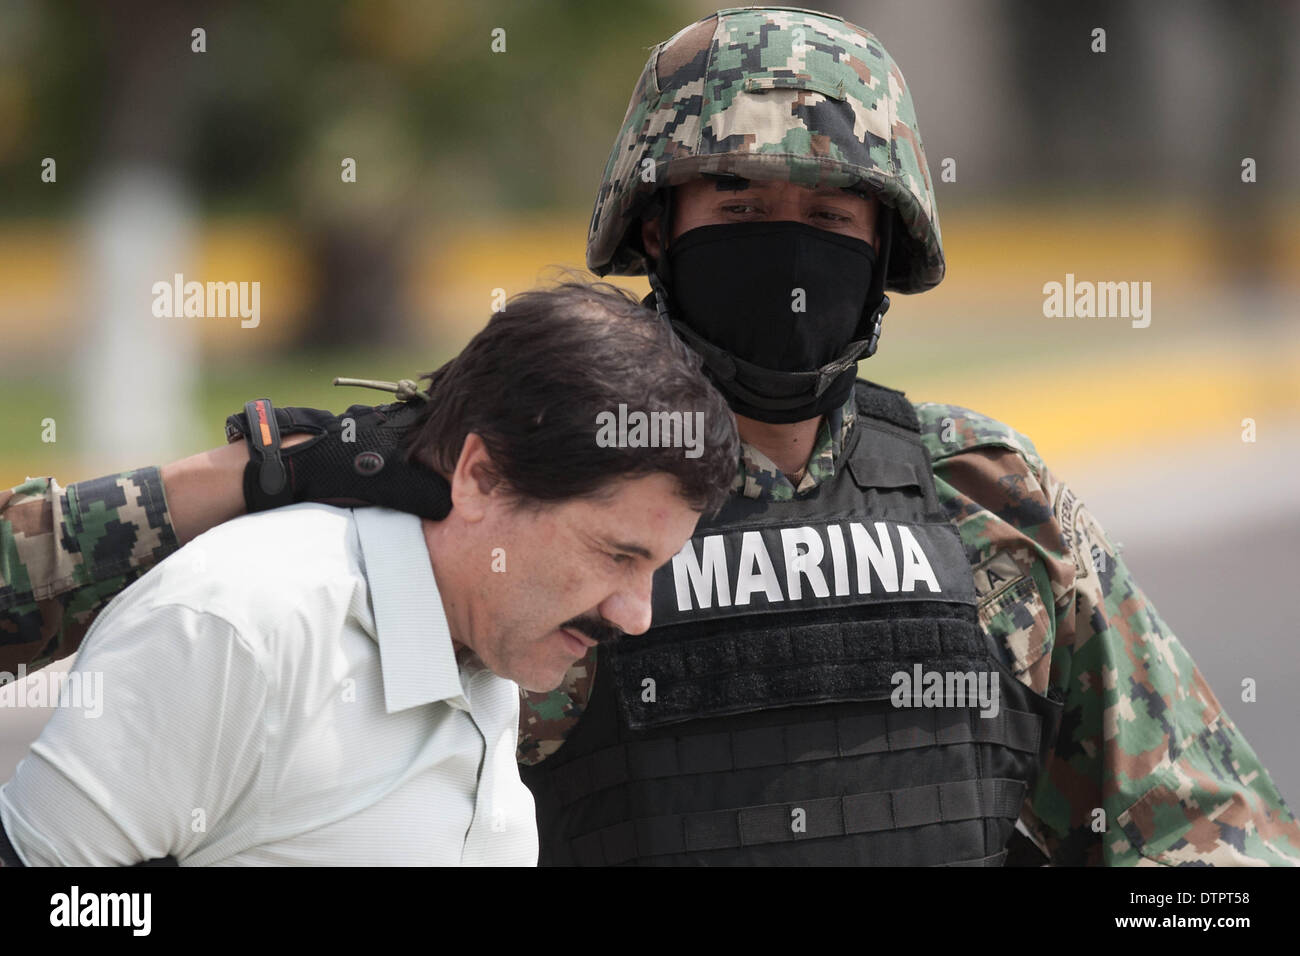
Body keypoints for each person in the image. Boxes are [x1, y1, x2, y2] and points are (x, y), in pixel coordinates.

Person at [2, 7, 1297, 866]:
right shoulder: (488, 472)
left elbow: (1213, 839)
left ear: (887, 252)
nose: (787, 249)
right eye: (739, 200)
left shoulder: (983, 504)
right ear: (657, 229)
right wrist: (255, 478)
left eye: (830, 216)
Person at [0, 283, 738, 866]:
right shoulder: (240, 629)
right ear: (480, 479)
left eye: (654, 568)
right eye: (616, 555)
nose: (636, 613)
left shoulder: (492, 639)